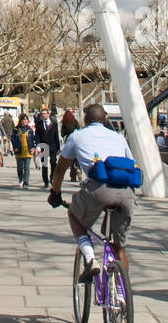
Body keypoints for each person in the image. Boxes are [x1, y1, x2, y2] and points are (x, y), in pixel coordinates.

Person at [48, 103, 136, 276]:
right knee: (119, 247)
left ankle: (89, 258)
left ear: (85, 120)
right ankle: (121, 293)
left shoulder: (77, 136)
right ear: (105, 119)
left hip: (98, 189)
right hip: (126, 192)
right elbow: (131, 164)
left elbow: (60, 168)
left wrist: (55, 192)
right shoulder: (118, 137)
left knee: (74, 215)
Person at [35, 106, 60, 188]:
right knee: (44, 164)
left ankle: (52, 177)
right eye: (42, 114)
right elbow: (37, 136)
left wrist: (58, 148)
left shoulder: (54, 124)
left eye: (45, 114)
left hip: (53, 146)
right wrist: (38, 146)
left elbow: (56, 136)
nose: (43, 115)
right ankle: (45, 181)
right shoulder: (38, 124)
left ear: (48, 114)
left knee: (53, 162)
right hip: (43, 146)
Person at [12, 115, 36, 189]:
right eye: (23, 119)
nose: (25, 121)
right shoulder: (16, 129)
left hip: (27, 151)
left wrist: (33, 148)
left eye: (26, 119)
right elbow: (13, 139)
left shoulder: (30, 130)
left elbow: (33, 140)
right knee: (20, 168)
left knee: (27, 168)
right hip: (19, 151)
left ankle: (26, 182)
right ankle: (21, 180)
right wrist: (15, 147)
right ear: (20, 120)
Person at [60, 109, 79, 182]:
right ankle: (78, 167)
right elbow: (78, 130)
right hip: (76, 141)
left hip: (68, 141)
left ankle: (73, 176)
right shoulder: (75, 121)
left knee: (70, 159)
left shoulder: (65, 123)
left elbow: (62, 134)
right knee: (76, 157)